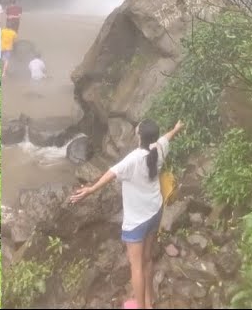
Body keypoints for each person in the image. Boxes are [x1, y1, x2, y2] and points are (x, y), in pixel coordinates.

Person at [70, 120, 184, 310]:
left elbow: (110, 173)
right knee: (147, 259)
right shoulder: (159, 149)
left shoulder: (133, 158)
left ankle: (140, 307)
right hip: (155, 211)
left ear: (139, 135)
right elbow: (166, 137)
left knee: (136, 266)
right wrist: (176, 129)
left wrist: (90, 190)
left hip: (137, 220)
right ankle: (149, 303)